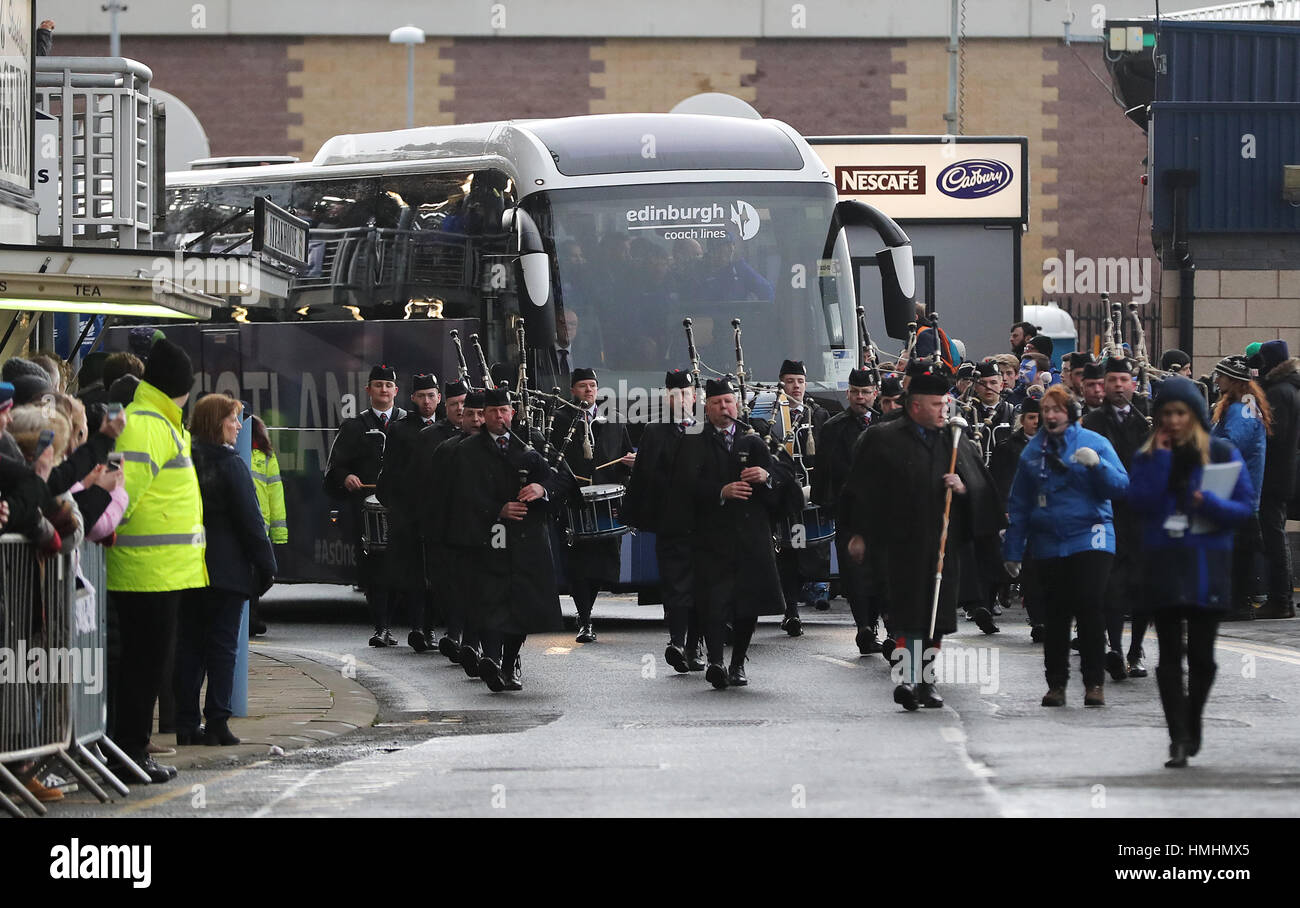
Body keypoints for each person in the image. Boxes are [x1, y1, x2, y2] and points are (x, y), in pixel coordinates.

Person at [845, 361, 1001, 710]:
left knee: (935, 617)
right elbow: (861, 491)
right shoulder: (882, 438)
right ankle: (906, 679)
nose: (944, 408)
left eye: (946, 402)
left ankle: (926, 681)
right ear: (915, 405)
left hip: (941, 543)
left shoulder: (954, 439)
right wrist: (859, 534)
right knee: (906, 615)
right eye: (936, 403)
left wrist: (963, 488)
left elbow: (981, 485)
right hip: (897, 543)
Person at [1126, 377, 1255, 767]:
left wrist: (1209, 503)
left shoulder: (1221, 451)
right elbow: (1139, 503)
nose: (1174, 420)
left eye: (1180, 413)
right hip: (1163, 563)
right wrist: (1162, 460)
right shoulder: (1148, 456)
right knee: (1168, 657)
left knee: (1203, 658)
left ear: (1194, 415)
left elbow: (1243, 508)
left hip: (1205, 564)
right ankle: (1177, 736)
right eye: (1166, 413)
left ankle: (1192, 719)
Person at [106, 338, 206, 784]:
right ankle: (129, 753)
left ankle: (130, 749)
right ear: (179, 388)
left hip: (155, 570)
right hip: (145, 572)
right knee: (143, 667)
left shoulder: (158, 421)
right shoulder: (148, 425)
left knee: (144, 666)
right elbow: (122, 495)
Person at [1004, 386, 1129, 708]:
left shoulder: (1094, 443)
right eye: (1046, 410)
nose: (1050, 415)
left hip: (1091, 534)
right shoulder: (1033, 452)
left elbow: (1120, 486)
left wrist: (1096, 465)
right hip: (1049, 540)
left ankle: (1094, 683)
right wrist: (1013, 551)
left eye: (1056, 409)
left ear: (1070, 413)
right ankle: (1056, 684)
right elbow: (1019, 503)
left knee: (1088, 604)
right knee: (1056, 615)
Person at [444, 388, 568, 691]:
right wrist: (496, 508)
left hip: (528, 543)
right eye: (493, 412)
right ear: (483, 416)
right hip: (489, 540)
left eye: (504, 411)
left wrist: (541, 488)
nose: (500, 417)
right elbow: (460, 495)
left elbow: (563, 478)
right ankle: (492, 658)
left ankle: (509, 664)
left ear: (512, 412)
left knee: (522, 605)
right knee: (490, 601)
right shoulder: (467, 450)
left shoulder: (532, 443)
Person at [176, 396, 276, 748]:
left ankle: (186, 723)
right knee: (222, 648)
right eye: (233, 419)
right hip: (226, 572)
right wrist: (267, 566)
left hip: (188, 568)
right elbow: (251, 521)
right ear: (217, 422)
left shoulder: (185, 458)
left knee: (189, 647)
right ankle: (217, 720)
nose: (238, 426)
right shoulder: (231, 464)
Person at [675, 377, 784, 689]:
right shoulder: (693, 440)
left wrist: (767, 476)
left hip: (751, 534)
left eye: (729, 402)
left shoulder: (755, 440)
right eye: (717, 403)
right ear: (707, 408)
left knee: (748, 602)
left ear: (737, 404)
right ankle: (715, 661)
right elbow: (684, 487)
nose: (724, 408)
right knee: (714, 600)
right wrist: (720, 491)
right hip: (712, 535)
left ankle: (737, 663)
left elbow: (783, 478)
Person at [622, 369, 704, 673]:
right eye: (674, 395)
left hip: (704, 526)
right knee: (675, 583)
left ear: (693, 397)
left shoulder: (703, 429)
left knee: (700, 586)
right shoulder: (655, 432)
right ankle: (677, 642)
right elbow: (642, 478)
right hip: (671, 523)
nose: (680, 400)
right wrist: (636, 515)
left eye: (685, 394)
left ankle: (695, 647)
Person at [549, 367, 634, 643]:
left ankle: (587, 608)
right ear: (572, 390)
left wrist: (629, 464)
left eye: (592, 386)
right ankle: (585, 618)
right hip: (574, 501)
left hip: (606, 505)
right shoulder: (560, 420)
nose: (588, 390)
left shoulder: (614, 421)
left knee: (604, 564)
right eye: (583, 386)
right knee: (578, 564)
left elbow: (625, 457)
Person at [324, 364, 406, 646]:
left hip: (402, 509)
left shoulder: (407, 424)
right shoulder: (354, 427)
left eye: (388, 385)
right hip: (366, 511)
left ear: (396, 391)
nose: (383, 390)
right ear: (368, 390)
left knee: (400, 567)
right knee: (374, 570)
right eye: (378, 385)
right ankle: (381, 626)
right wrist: (346, 476)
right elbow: (334, 467)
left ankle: (399, 623)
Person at [1082, 355, 1153, 679]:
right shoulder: (1093, 422)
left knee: (1141, 587)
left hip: (1141, 516)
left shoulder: (1147, 420)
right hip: (1107, 514)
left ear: (1133, 384)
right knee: (1111, 586)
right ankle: (1114, 648)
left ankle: (1136, 650)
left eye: (1124, 381)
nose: (1118, 386)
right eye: (1112, 381)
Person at [814, 367, 886, 654]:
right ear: (848, 393)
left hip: (882, 510)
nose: (860, 398)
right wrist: (827, 504)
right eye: (855, 392)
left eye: (865, 392)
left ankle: (875, 623)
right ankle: (863, 627)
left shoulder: (883, 424)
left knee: (880, 569)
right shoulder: (834, 427)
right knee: (854, 571)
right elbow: (823, 471)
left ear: (875, 393)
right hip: (850, 510)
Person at [377, 372, 442, 651]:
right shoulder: (401, 429)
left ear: (439, 398)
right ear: (413, 398)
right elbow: (389, 474)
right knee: (412, 574)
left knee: (437, 575)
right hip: (410, 514)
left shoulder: (448, 428)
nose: (427, 402)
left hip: (439, 513)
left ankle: (431, 628)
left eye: (431, 396)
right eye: (421, 396)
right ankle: (413, 627)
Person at [1211, 355, 1271, 621]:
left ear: (1232, 380)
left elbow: (1233, 443)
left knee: (1238, 548)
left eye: (1221, 375)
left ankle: (1237, 602)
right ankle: (1235, 599)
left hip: (1238, 488)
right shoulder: (1241, 404)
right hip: (1237, 486)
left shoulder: (1242, 406)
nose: (1217, 380)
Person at [773, 359, 831, 632]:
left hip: (812, 490)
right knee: (789, 550)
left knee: (814, 548)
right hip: (786, 495)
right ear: (781, 383)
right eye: (790, 381)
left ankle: (816, 589)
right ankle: (791, 609)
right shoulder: (773, 413)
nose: (796, 387)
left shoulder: (817, 414)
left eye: (800, 382)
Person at [989, 396, 1044, 639]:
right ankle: (1035, 617)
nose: (1036, 422)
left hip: (1044, 514)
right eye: (1031, 418)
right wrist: (1004, 508)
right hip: (1018, 511)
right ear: (1022, 420)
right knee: (1027, 566)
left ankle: (1043, 616)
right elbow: (998, 481)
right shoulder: (1008, 447)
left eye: (1039, 417)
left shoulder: (1052, 445)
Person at [1255, 340, 1299, 619]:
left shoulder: (1279, 392)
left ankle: (1280, 599)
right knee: (1276, 533)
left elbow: (1274, 435)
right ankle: (1282, 598)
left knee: (1274, 535)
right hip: (1285, 471)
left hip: (1274, 473)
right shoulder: (1291, 388)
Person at [248, 415, 286, 637]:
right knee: (253, 575)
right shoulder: (236, 451)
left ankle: (251, 616)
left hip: (261, 526)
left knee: (263, 574)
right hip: (249, 524)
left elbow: (275, 493)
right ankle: (251, 619)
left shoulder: (266, 456)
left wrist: (279, 530)